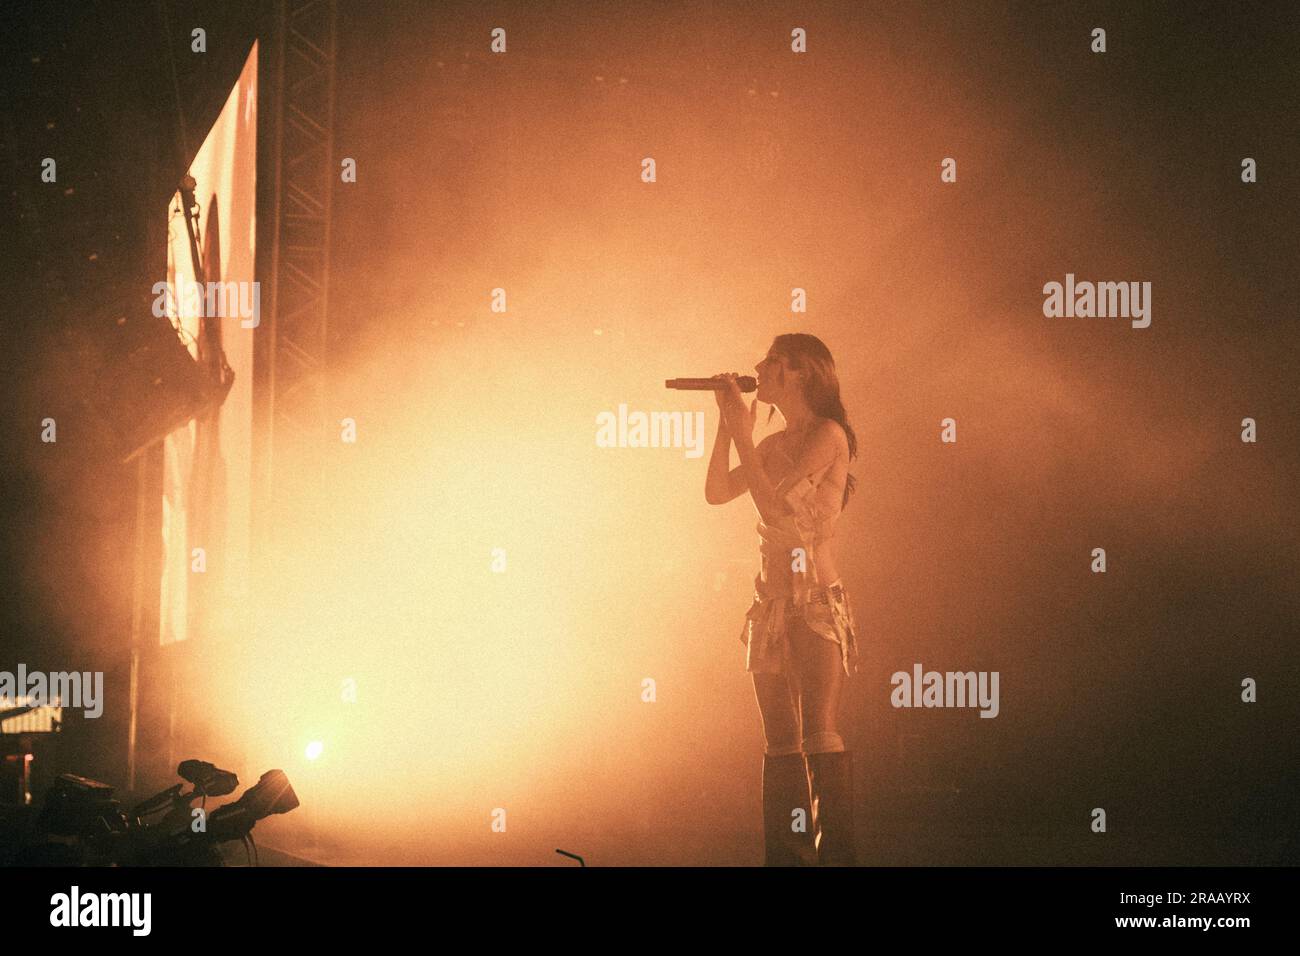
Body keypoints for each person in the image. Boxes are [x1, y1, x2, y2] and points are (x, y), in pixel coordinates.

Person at [705, 333, 860, 866]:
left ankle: (835, 860)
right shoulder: (770, 444)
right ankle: (787, 860)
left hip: (814, 597)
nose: (757, 366)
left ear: (802, 374)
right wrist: (728, 430)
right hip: (770, 600)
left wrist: (744, 435)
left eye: (772, 361)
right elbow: (718, 492)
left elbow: (775, 510)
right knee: (779, 739)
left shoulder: (827, 434)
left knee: (818, 730)